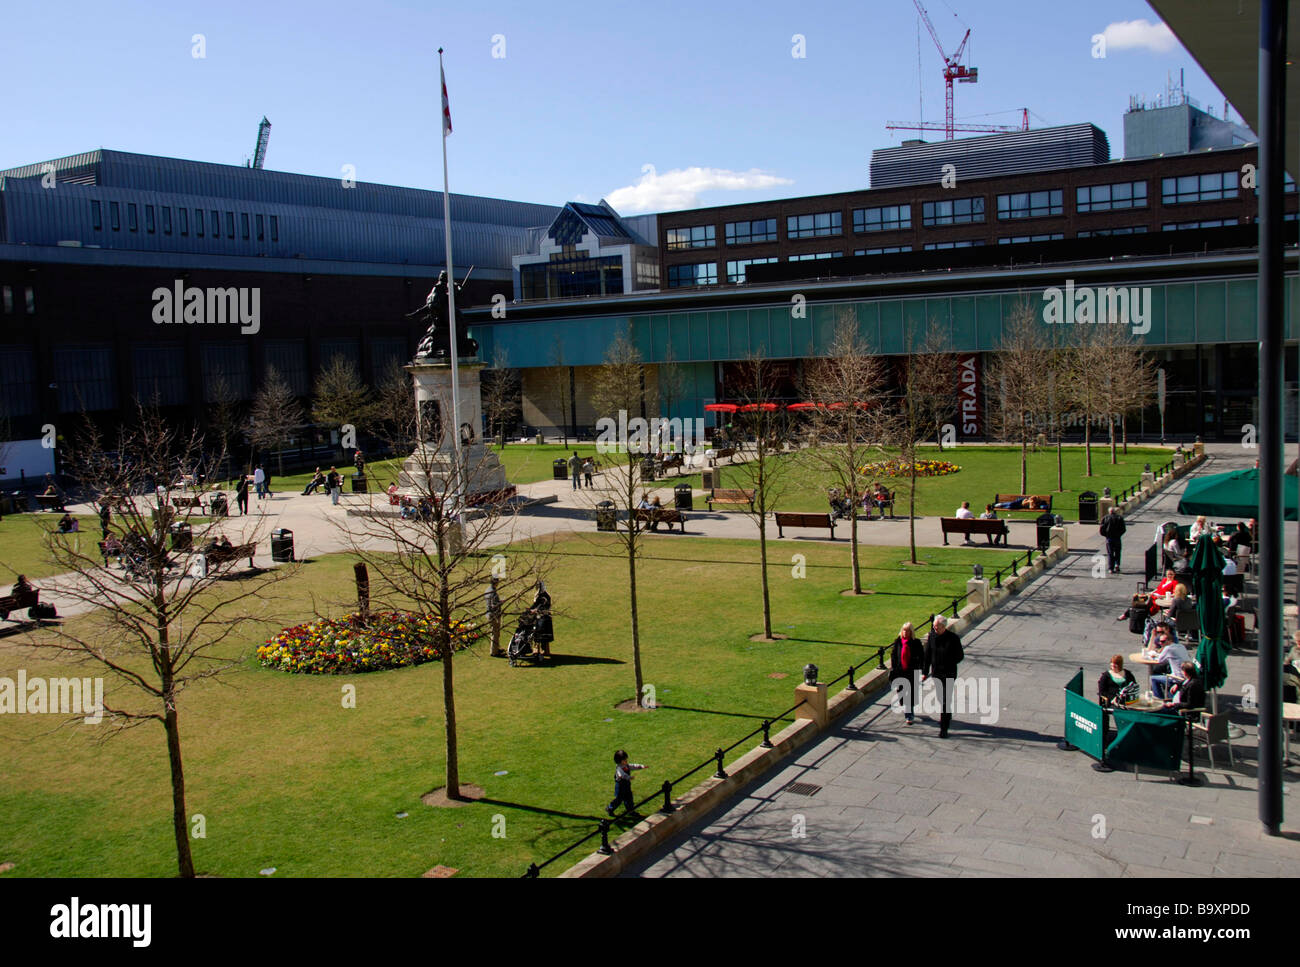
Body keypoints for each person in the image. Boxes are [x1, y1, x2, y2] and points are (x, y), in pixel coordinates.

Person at [923, 615, 964, 738]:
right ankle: (947, 714)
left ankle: (944, 728)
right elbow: (928, 655)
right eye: (934, 626)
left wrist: (949, 661)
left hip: (949, 673)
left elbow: (960, 656)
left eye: (937, 627)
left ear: (943, 626)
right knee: (941, 698)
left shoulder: (953, 638)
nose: (935, 628)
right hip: (937, 673)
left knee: (945, 700)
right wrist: (925, 672)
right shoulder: (932, 636)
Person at [888, 621, 924, 725]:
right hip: (900, 672)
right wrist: (894, 667)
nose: (905, 632)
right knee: (902, 694)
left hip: (912, 672)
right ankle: (907, 708)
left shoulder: (916, 642)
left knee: (910, 693)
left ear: (911, 632)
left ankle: (909, 715)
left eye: (907, 631)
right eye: (904, 630)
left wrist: (921, 669)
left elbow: (921, 656)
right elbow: (894, 655)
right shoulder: (898, 642)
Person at [1149, 626, 1190, 699]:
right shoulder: (1181, 646)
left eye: (1163, 641)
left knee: (1152, 678)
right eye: (1160, 641)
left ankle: (1159, 699)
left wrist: (1154, 655)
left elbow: (1160, 661)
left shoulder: (1168, 648)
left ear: (1169, 641)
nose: (1160, 643)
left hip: (1176, 678)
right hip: (1186, 677)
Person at [606, 750, 646, 817]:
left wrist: (641, 766)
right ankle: (610, 808)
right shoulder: (619, 768)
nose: (626, 761)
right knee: (619, 799)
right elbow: (621, 775)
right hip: (620, 786)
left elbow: (633, 766)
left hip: (627, 785)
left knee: (629, 797)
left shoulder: (627, 766)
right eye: (624, 760)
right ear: (620, 761)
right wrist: (628, 777)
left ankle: (630, 810)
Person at [1099, 506, 1126, 575]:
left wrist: (1106, 535)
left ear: (1109, 512)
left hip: (1109, 538)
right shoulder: (1119, 518)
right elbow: (1123, 529)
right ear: (1115, 511)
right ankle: (1117, 564)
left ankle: (1111, 568)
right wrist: (1119, 534)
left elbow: (1101, 530)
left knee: (1110, 553)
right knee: (1117, 552)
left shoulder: (1105, 518)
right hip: (1117, 538)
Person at [531, 582, 553, 658]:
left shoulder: (542, 597)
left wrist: (533, 610)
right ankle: (545, 650)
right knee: (543, 636)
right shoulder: (545, 596)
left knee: (539, 635)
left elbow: (538, 606)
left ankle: (538, 650)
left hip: (542, 618)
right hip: (545, 617)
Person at [485, 576, 504, 657]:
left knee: (495, 632)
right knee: (495, 633)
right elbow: (493, 605)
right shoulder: (493, 592)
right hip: (494, 615)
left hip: (489, 614)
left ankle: (496, 648)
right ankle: (494, 651)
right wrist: (501, 602)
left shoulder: (487, 590)